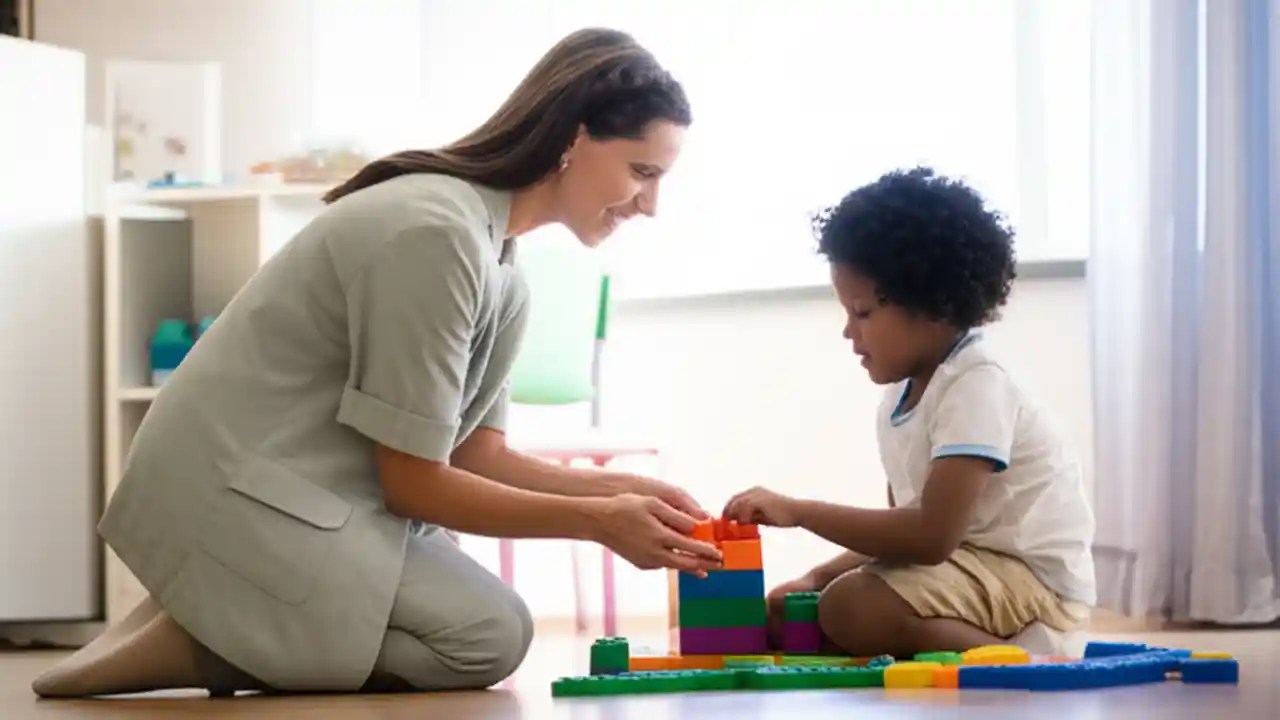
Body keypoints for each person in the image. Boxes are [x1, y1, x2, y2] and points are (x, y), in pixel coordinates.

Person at [33, 27, 722, 699]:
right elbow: (413, 485)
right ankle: (206, 642)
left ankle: (227, 624)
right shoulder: (436, 235)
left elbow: (477, 453)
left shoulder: (502, 266)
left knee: (487, 629)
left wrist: (616, 492)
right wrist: (598, 523)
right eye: (642, 172)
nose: (651, 205)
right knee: (489, 634)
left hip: (307, 494)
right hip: (233, 491)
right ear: (574, 138)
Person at [722, 167, 1096, 659]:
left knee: (853, 606)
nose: (848, 333)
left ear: (932, 304)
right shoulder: (902, 398)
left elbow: (930, 536)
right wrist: (818, 576)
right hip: (971, 570)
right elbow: (905, 536)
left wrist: (800, 512)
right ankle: (945, 642)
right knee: (811, 609)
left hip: (1035, 590)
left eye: (862, 313)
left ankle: (1026, 660)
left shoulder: (976, 384)